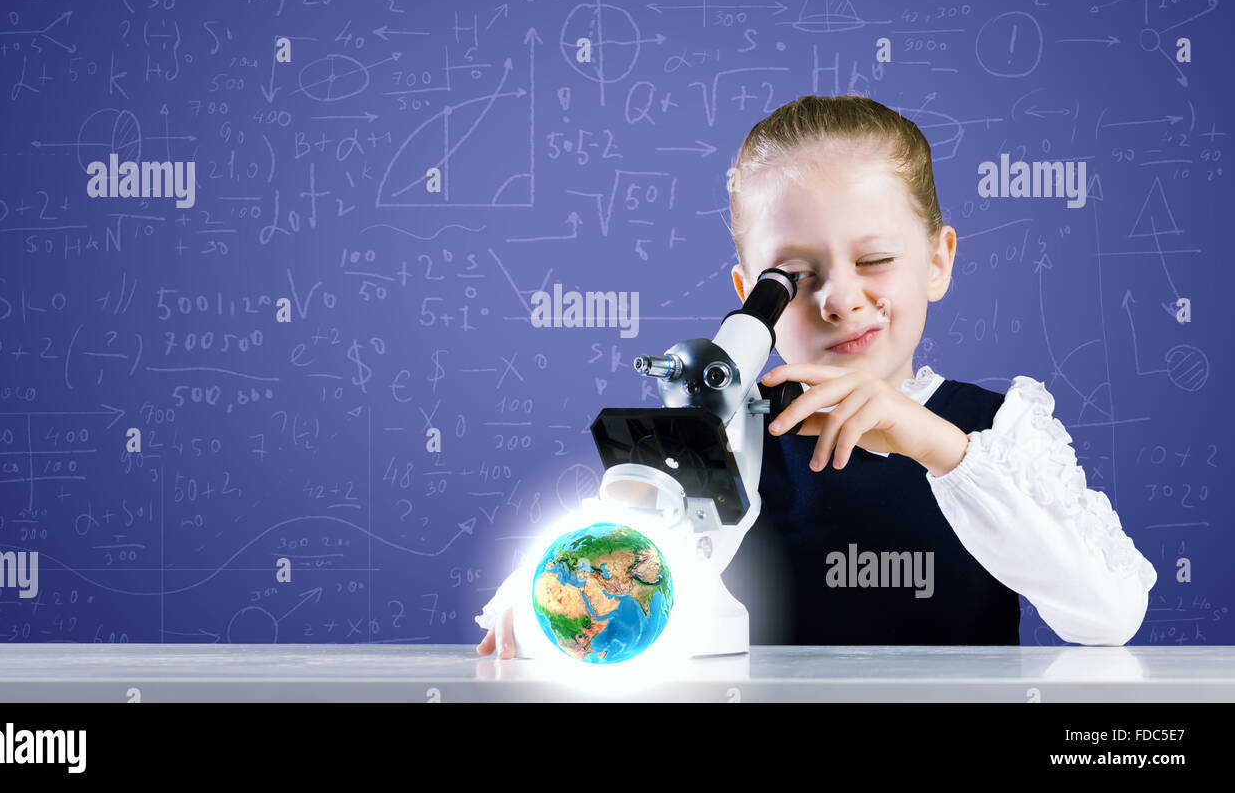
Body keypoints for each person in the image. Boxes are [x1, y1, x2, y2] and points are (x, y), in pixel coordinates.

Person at [476, 93, 1157, 658]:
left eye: (876, 258)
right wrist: (545, 598)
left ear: (938, 260)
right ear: (752, 298)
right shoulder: (732, 439)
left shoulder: (994, 433)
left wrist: (935, 444)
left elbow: (1110, 615)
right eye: (793, 278)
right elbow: (612, 582)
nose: (838, 298)